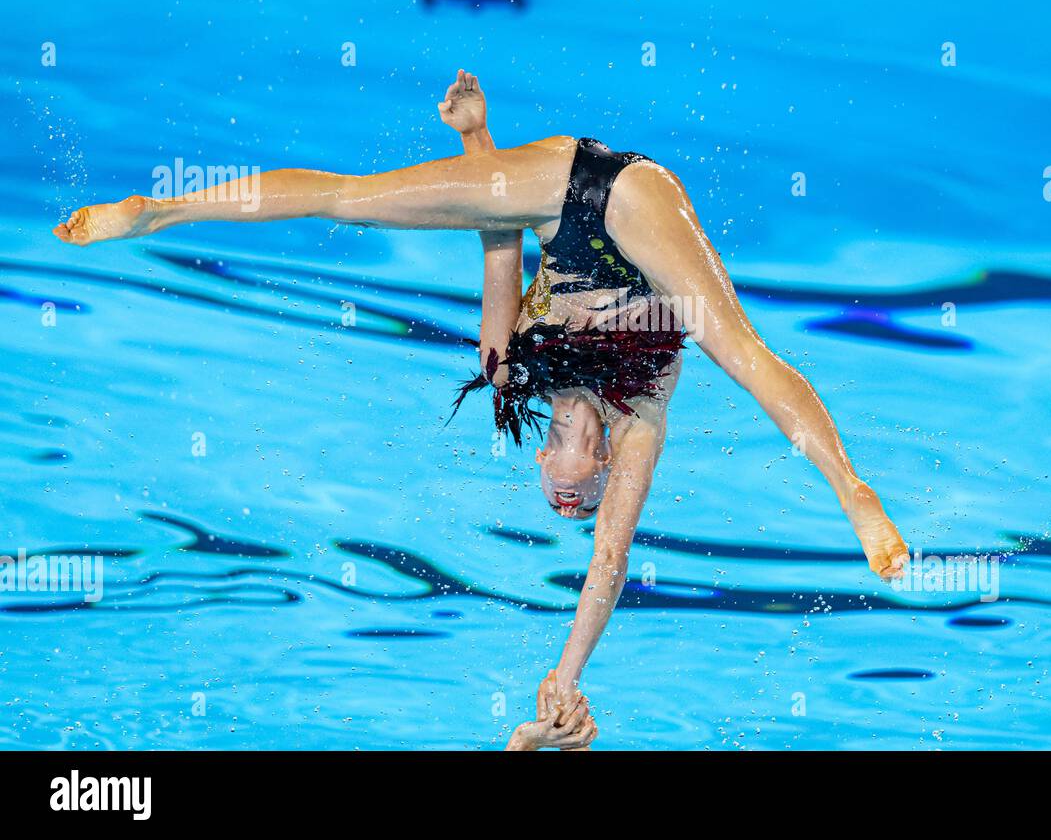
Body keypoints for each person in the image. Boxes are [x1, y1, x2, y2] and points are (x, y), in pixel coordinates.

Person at [53, 70, 910, 746]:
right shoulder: (640, 421)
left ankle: (155, 211)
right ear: (596, 464)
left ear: (544, 461)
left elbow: (498, 248)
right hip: (633, 213)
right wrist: (571, 673)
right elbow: (610, 561)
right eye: (580, 500)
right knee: (737, 349)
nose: (573, 503)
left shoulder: (507, 373)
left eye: (559, 502)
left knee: (354, 199)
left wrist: (475, 144)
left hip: (559, 198)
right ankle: (853, 491)